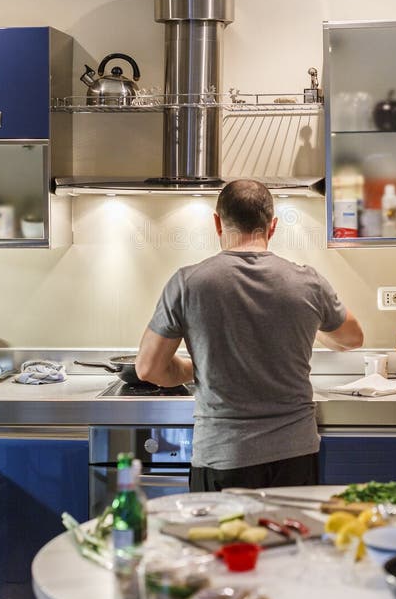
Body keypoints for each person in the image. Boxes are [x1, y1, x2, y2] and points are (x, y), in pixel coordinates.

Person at [135, 178, 363, 491]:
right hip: (295, 455)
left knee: (227, 540)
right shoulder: (308, 282)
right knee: (290, 540)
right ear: (272, 226)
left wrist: (194, 367)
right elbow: (352, 338)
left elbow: (149, 369)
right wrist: (309, 327)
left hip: (223, 456)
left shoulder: (188, 283)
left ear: (217, 223)